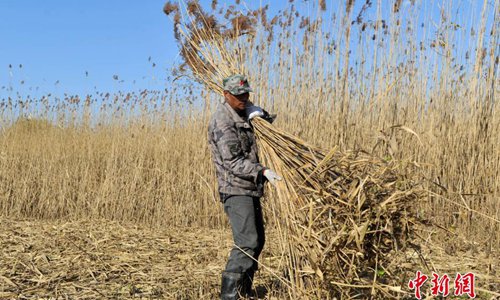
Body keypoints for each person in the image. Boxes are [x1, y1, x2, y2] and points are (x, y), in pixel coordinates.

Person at [208, 74, 282, 299]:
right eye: (238, 95)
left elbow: (264, 133)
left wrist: (261, 115)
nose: (243, 98)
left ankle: (243, 291)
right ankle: (229, 296)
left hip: (250, 189)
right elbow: (232, 162)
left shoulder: (244, 112)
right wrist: (261, 171)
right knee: (247, 242)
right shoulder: (223, 121)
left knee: (258, 240)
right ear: (226, 94)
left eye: (246, 94)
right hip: (236, 189)